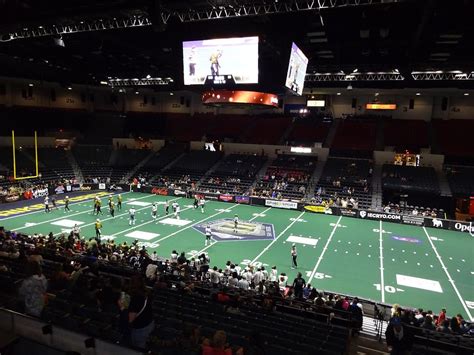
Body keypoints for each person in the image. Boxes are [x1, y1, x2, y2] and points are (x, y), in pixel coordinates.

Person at [125, 275, 154, 349]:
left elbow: (130, 319)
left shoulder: (134, 298)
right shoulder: (147, 293)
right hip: (149, 323)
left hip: (140, 328)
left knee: (138, 348)